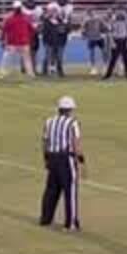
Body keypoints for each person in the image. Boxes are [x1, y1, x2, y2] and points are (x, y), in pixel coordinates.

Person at [39, 96, 86, 231]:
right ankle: (71, 222)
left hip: (52, 157)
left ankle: (45, 218)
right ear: (70, 109)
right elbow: (75, 143)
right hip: (66, 159)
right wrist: (81, 159)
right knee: (70, 190)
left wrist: (46, 158)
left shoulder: (49, 121)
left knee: (51, 189)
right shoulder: (72, 123)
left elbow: (45, 141)